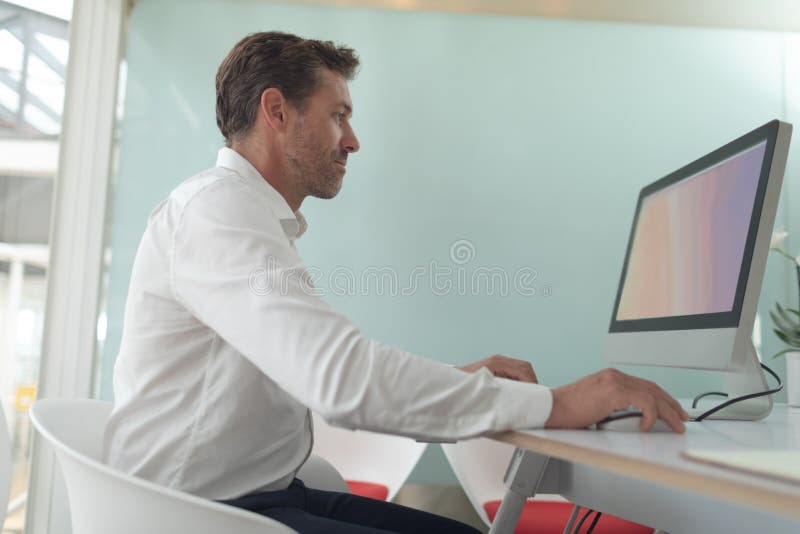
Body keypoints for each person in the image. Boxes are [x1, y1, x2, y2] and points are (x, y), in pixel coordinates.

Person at [104, 31, 688, 533]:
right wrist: (555, 404)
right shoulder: (216, 213)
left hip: (252, 498)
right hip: (196, 516)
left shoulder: (239, 216)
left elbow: (315, 378)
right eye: (339, 115)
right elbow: (343, 380)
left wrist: (459, 382)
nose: (352, 140)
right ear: (276, 112)